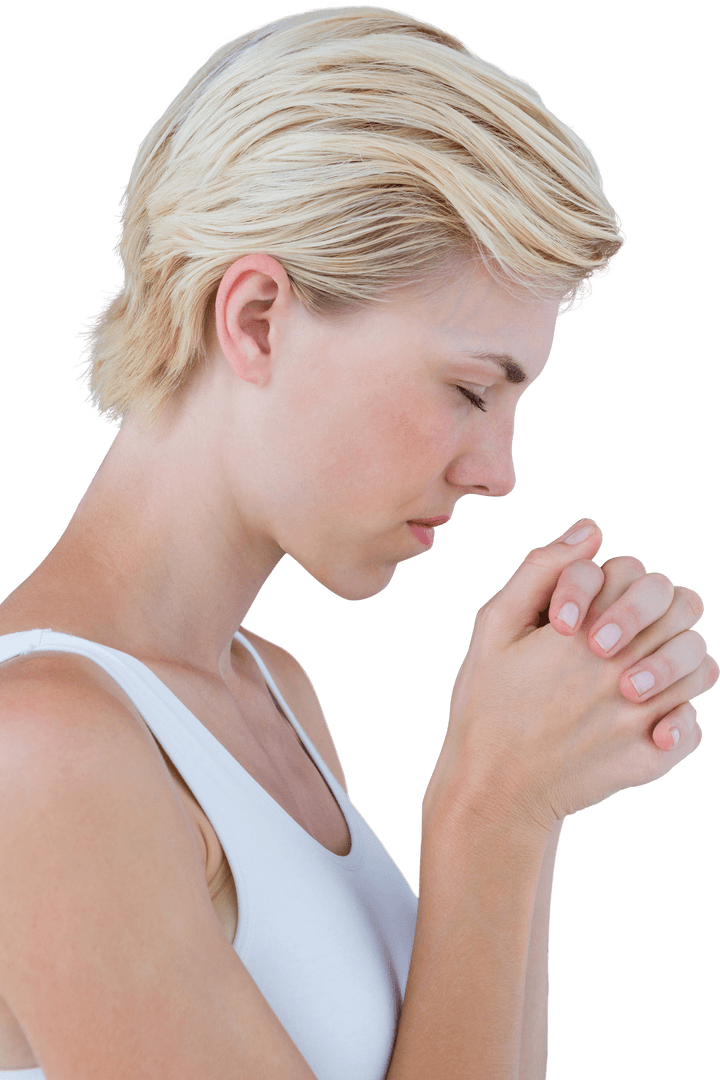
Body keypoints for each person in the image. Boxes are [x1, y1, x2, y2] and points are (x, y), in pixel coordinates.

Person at [0, 5, 714, 1078]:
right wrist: (490, 808)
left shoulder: (268, 690)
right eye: (471, 389)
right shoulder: (38, 750)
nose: (499, 472)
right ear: (256, 321)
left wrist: (531, 794)